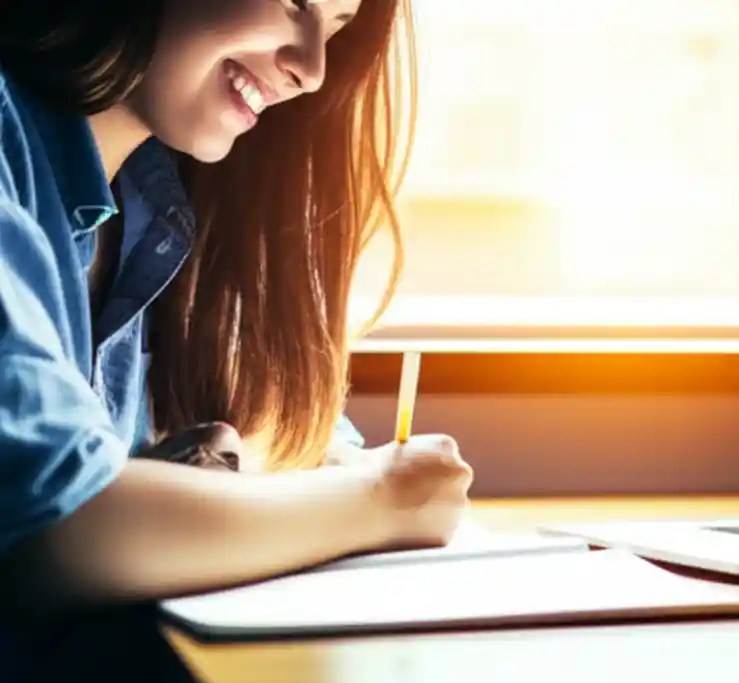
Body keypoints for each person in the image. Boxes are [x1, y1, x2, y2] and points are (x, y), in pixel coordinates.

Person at [0, 0, 473, 623]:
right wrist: (382, 497)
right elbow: (58, 524)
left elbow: (295, 444)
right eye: (296, 3)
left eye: (336, 28)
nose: (312, 70)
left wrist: (318, 470)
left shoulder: (164, 213)